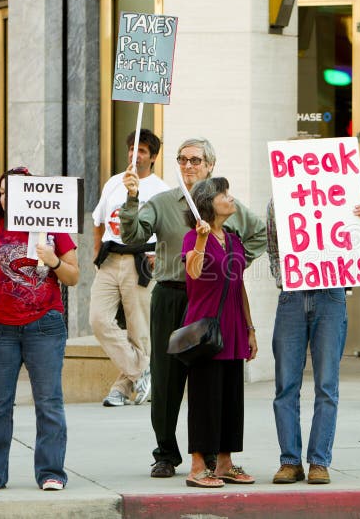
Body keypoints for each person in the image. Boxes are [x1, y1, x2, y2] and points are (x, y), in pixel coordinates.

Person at [118, 138, 267, 478]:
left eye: (196, 160)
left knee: (216, 383)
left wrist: (230, 268)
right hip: (174, 294)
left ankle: (215, 456)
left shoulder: (227, 206)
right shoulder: (162, 202)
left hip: (214, 300)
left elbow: (257, 234)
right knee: (168, 379)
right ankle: (166, 454)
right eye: (182, 159)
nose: (188, 165)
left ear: (210, 165)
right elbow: (134, 236)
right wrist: (130, 199)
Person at [0, 167, 80, 491]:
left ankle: (51, 472)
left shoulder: (53, 230)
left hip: (44, 326)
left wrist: (53, 260)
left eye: (15, 190)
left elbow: (73, 276)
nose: (8, 197)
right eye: (3, 192)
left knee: (49, 401)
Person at [267, 200, 360, 485]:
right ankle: (289, 461)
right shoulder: (280, 192)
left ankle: (319, 461)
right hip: (292, 292)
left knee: (327, 385)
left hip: (331, 292)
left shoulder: (341, 189)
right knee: (285, 384)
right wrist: (284, 276)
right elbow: (273, 246)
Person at [180, 178, 258, 488]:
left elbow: (239, 287)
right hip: (204, 329)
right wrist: (200, 241)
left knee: (230, 398)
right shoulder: (191, 238)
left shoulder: (234, 240)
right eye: (224, 194)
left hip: (234, 326)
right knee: (204, 397)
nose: (230, 197)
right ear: (208, 203)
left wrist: (250, 328)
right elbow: (194, 273)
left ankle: (225, 463)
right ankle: (198, 465)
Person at [90, 129, 169, 407]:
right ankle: (141, 374)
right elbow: (98, 219)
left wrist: (160, 254)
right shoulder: (113, 183)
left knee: (139, 330)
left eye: (143, 151)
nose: (135, 155)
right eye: (132, 149)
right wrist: (96, 250)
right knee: (99, 319)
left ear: (154, 157)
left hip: (141, 260)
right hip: (110, 259)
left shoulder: (161, 189)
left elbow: (168, 229)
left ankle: (122, 389)